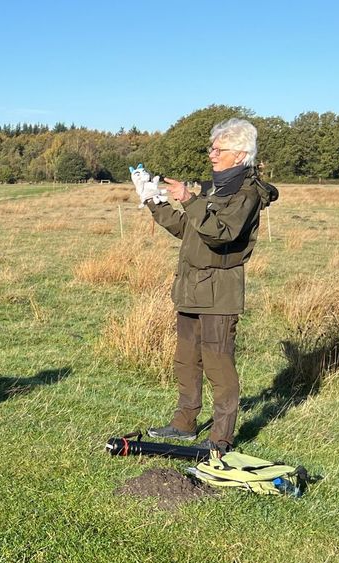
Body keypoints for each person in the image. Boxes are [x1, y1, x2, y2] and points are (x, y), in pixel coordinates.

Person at [134, 118, 279, 452]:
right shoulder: (215, 189)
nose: (211, 154)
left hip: (219, 291)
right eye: (211, 148)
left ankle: (219, 440)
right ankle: (184, 424)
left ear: (240, 154)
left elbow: (221, 234)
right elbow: (188, 229)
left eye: (219, 149)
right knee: (186, 359)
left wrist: (188, 199)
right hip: (191, 287)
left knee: (218, 364)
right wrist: (153, 201)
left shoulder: (246, 194)